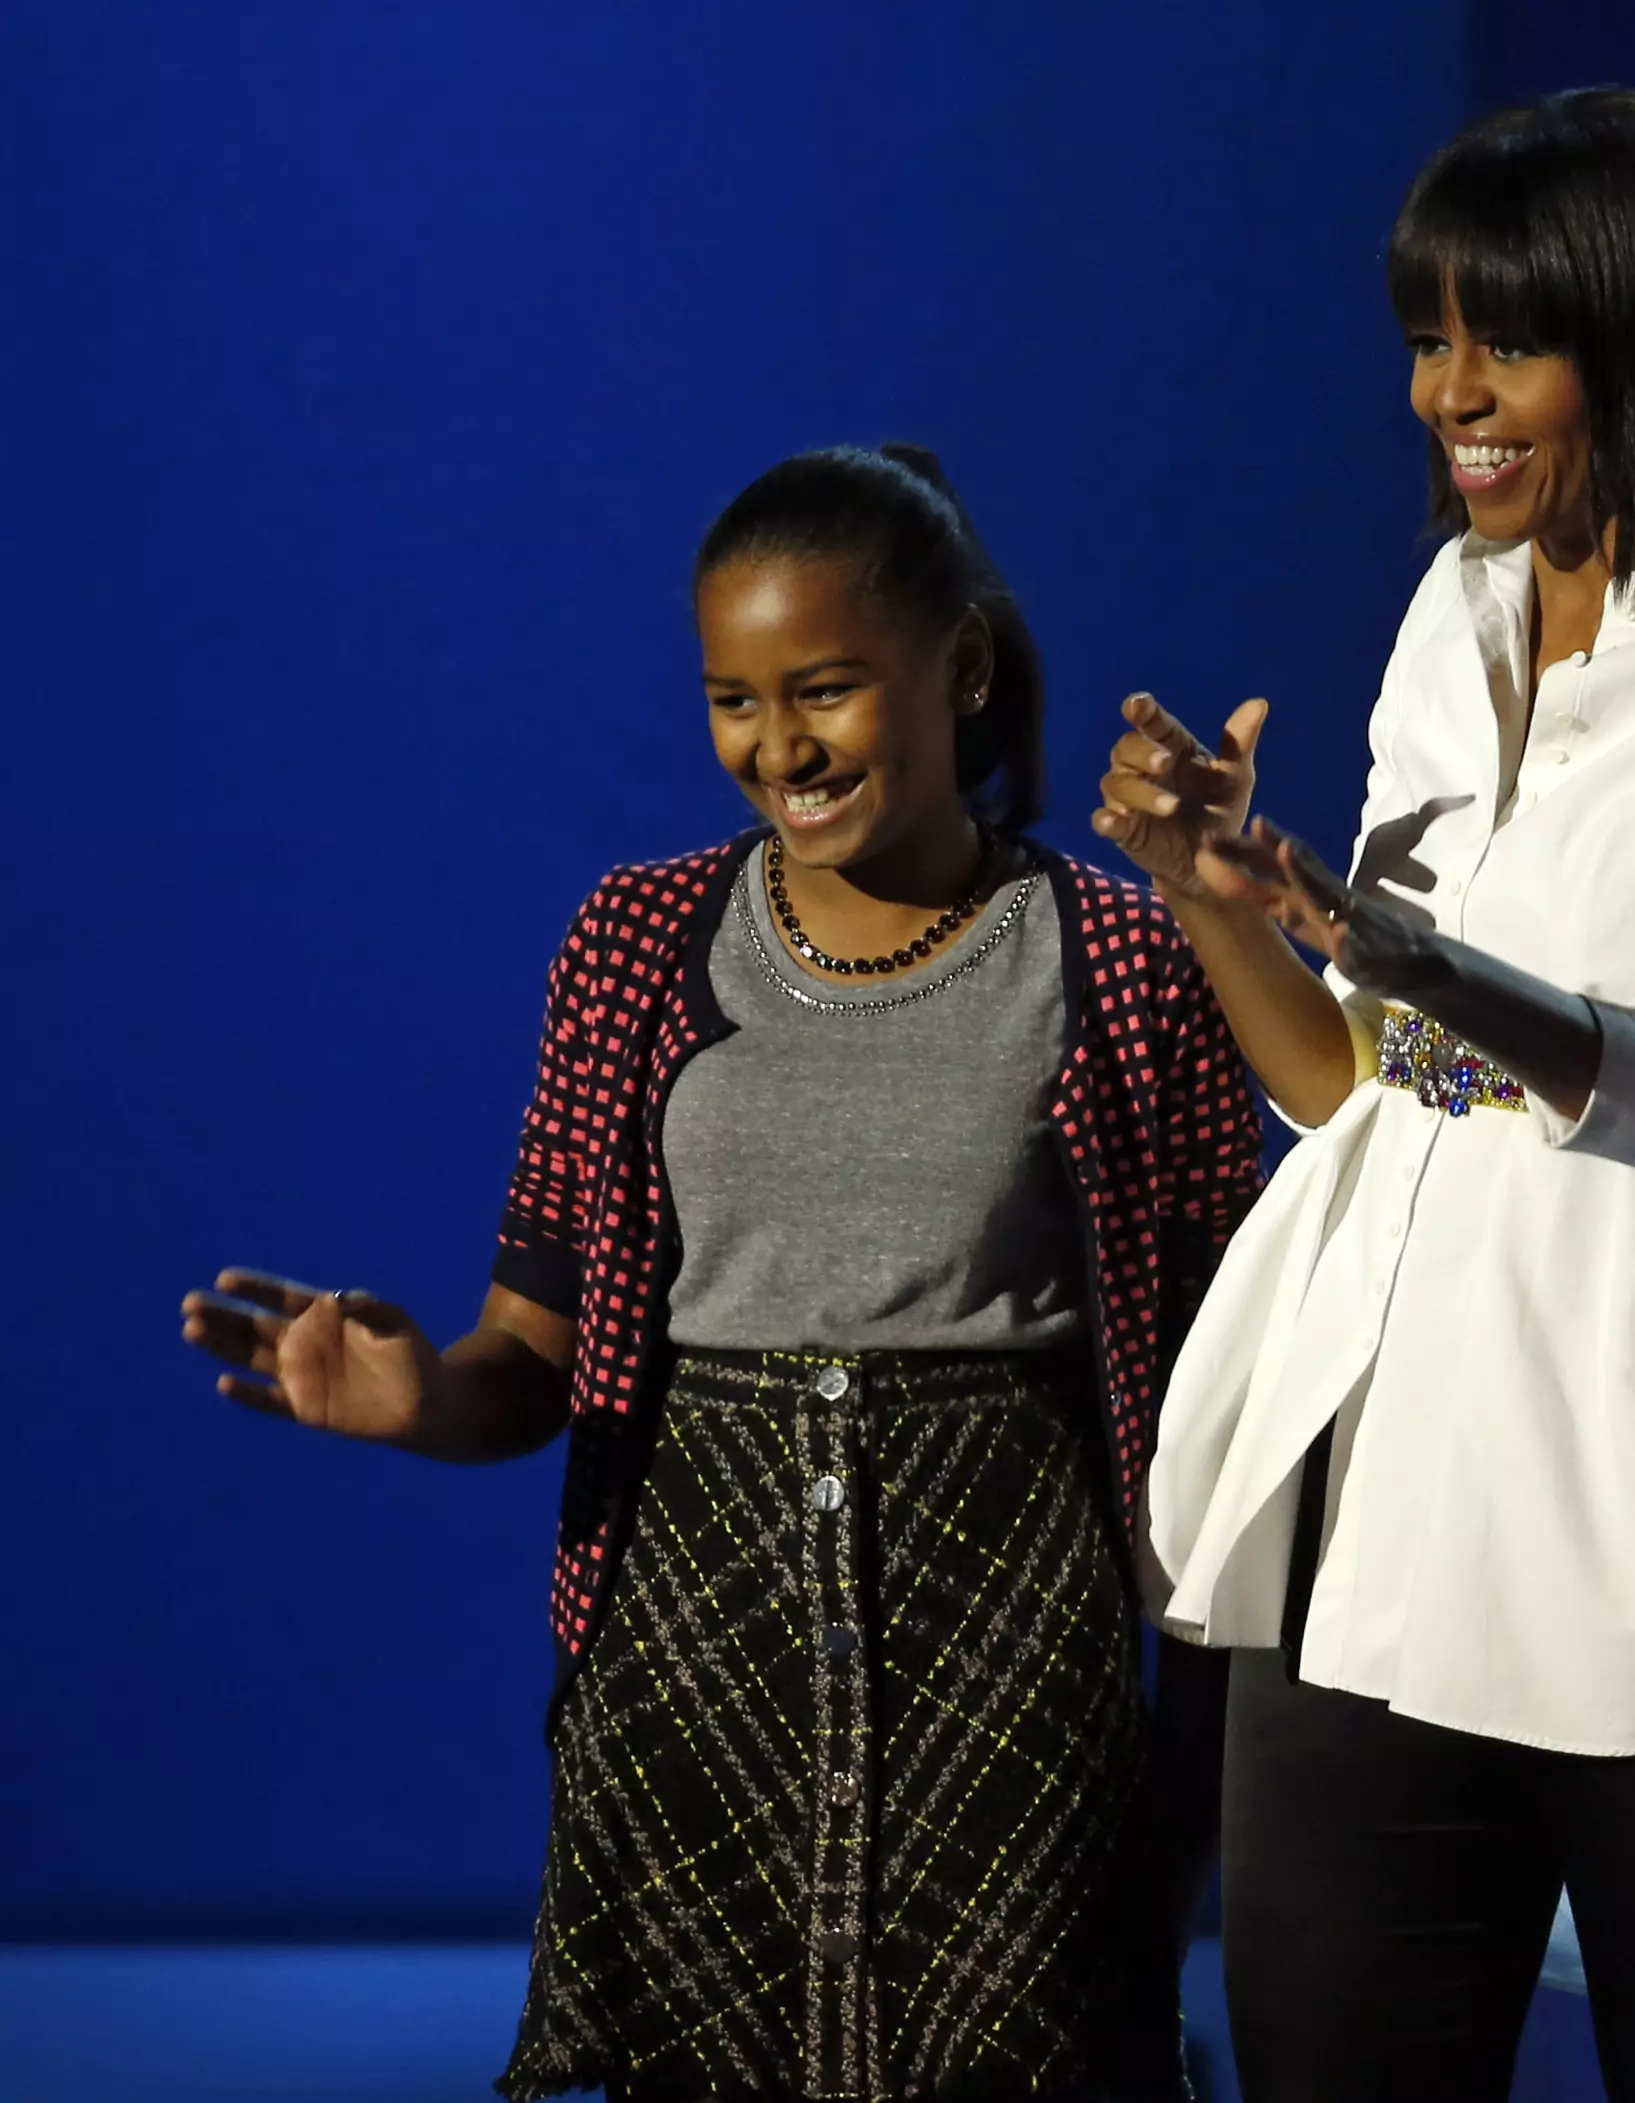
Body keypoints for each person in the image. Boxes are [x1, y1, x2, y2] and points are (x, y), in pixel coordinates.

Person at [178, 444, 1263, 2103]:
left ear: (958, 667)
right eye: (735, 701)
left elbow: (1218, 1415)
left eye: (822, 689)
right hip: (698, 1682)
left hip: (1016, 1693)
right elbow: (533, 1359)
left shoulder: (1115, 959)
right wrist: (419, 1401)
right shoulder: (630, 942)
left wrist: (1190, 1783)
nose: (779, 747)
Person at [1089, 89, 1635, 2103]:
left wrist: (1394, 951)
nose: (1445, 395)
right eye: (1427, 338)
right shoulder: (1452, 615)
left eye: (1504, 342)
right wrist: (1218, 900)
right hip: (1380, 1499)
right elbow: (1356, 1085)